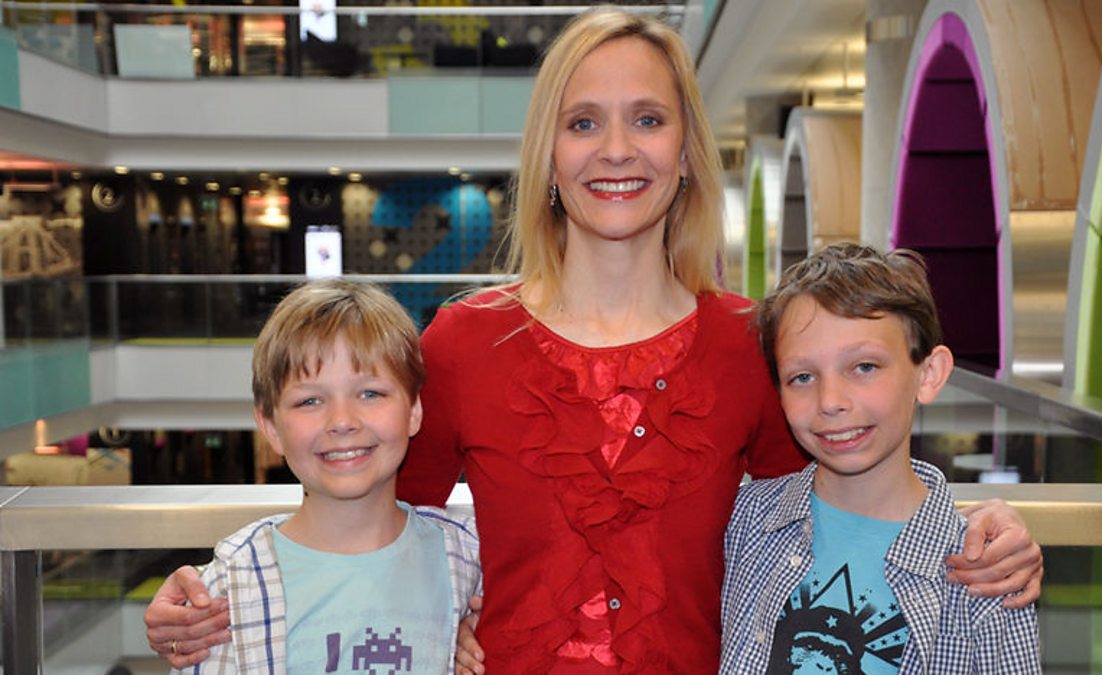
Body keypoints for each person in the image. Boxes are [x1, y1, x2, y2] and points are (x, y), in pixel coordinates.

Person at [145, 8, 1043, 674]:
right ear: (549, 154)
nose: (617, 150)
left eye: (647, 119)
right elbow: (370, 520)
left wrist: (977, 525)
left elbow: (833, 496)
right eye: (584, 123)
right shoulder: (463, 342)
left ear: (686, 150)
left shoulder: (749, 343)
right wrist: (216, 587)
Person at [720, 244, 1041, 674]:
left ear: (928, 374)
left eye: (865, 367)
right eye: (802, 377)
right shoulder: (742, 525)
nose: (830, 401)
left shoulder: (986, 572)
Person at [164, 279, 481, 674]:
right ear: (271, 427)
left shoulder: (469, 563)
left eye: (370, 393)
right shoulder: (229, 589)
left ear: (414, 410)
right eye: (310, 401)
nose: (342, 421)